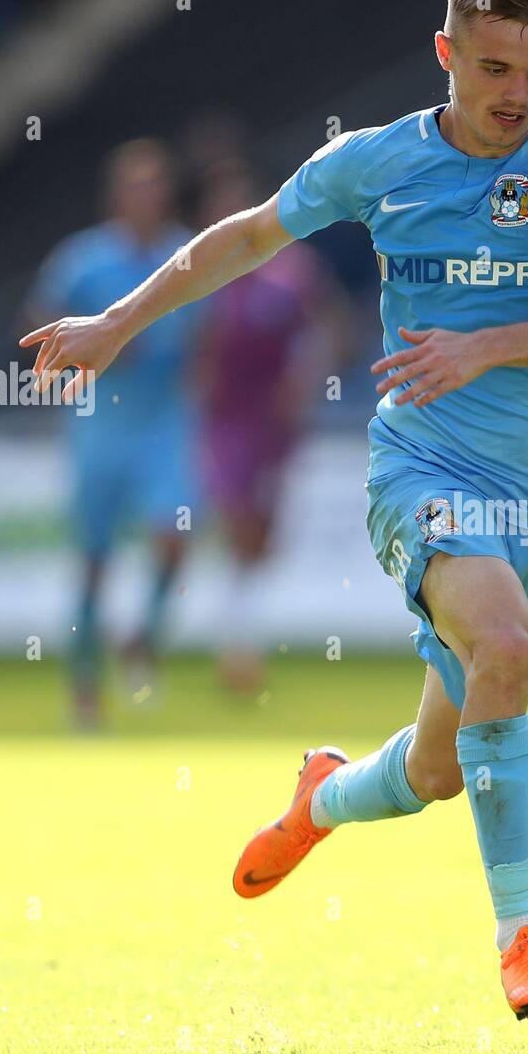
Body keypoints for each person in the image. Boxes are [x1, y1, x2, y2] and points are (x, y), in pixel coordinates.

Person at [19, 0, 528, 1019]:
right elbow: (251, 235)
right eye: (495, 67)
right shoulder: (377, 161)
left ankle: (324, 795)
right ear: (447, 53)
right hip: (427, 465)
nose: (517, 94)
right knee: (500, 648)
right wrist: (119, 322)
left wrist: (487, 344)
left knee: (442, 769)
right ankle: (524, 937)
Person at [24, 139, 205, 727]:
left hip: (163, 420)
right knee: (94, 560)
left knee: (176, 537)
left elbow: (209, 322)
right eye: (135, 185)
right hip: (100, 421)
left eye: (154, 185)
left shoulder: (186, 250)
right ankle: (83, 684)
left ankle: (143, 635)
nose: (145, 196)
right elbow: (38, 318)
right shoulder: (84, 259)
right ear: (115, 195)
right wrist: (75, 360)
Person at [193, 157, 352, 692]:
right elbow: (188, 344)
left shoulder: (291, 273)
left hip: (274, 424)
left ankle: (242, 641)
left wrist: (309, 378)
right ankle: (236, 650)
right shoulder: (200, 272)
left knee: (262, 535)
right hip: (223, 421)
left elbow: (332, 326)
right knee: (236, 523)